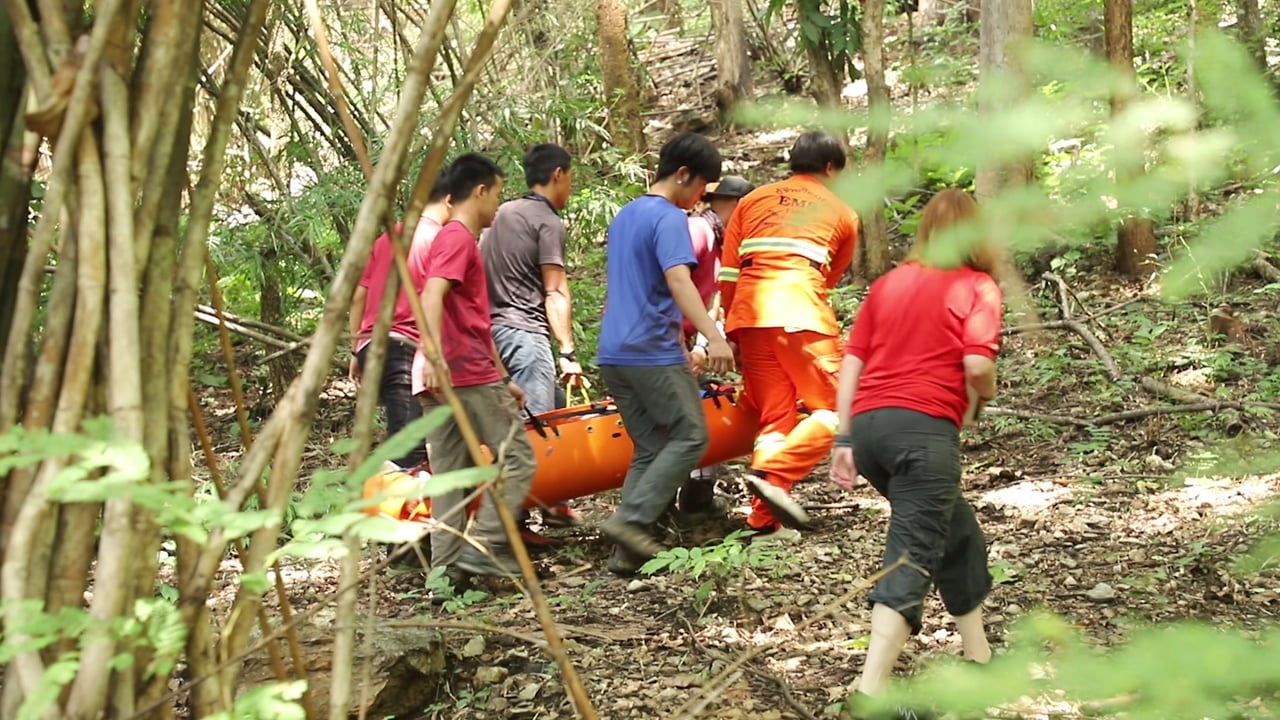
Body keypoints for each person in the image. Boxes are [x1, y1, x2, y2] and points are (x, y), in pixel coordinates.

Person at [829, 189, 999, 718]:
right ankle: (870, 697)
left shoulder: (888, 284)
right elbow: (977, 367)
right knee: (912, 553)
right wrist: (985, 396)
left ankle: (980, 659)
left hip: (872, 431)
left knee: (956, 532)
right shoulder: (978, 285)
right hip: (923, 434)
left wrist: (843, 437)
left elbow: (851, 364)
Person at [595, 132, 736, 576]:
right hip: (649, 351)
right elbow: (679, 282)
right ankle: (631, 521)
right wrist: (714, 337)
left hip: (615, 351)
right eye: (701, 188)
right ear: (682, 174)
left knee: (651, 446)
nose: (701, 200)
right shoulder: (669, 217)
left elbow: (637, 286)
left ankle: (627, 552)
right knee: (691, 435)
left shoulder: (626, 215)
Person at [718, 130, 859, 541]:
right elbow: (826, 279)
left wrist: (733, 331)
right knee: (841, 410)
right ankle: (774, 475)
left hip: (749, 313)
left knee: (775, 418)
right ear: (831, 168)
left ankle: (763, 522)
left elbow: (728, 274)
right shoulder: (844, 212)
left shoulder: (751, 201)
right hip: (801, 313)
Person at [410, 153, 536, 578]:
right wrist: (433, 355)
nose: (498, 205)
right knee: (517, 460)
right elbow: (431, 296)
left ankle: (444, 579)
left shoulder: (454, 238)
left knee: (451, 479)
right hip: (460, 372)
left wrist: (505, 378)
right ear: (479, 191)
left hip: (459, 371)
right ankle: (479, 552)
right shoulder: (458, 238)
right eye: (497, 193)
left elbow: (474, 321)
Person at [480, 143, 585, 532]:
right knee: (536, 433)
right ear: (558, 174)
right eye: (570, 179)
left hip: (491, 339)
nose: (569, 188)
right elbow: (554, 290)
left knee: (545, 413)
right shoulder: (546, 220)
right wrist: (568, 351)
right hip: (525, 334)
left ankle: (554, 506)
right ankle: (513, 525)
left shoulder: (500, 213)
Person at [348, 173, 452, 471]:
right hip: (404, 346)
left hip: (371, 345)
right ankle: (379, 505)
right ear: (449, 201)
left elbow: (358, 297)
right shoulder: (439, 240)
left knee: (408, 432)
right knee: (409, 441)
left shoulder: (386, 239)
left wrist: (356, 348)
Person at [678, 174, 755, 516]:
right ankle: (672, 501)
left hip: (686, 342)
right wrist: (678, 343)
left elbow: (712, 303)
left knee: (708, 406)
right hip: (664, 341)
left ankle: (697, 496)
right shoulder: (697, 230)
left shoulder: (724, 246)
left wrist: (703, 347)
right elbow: (671, 282)